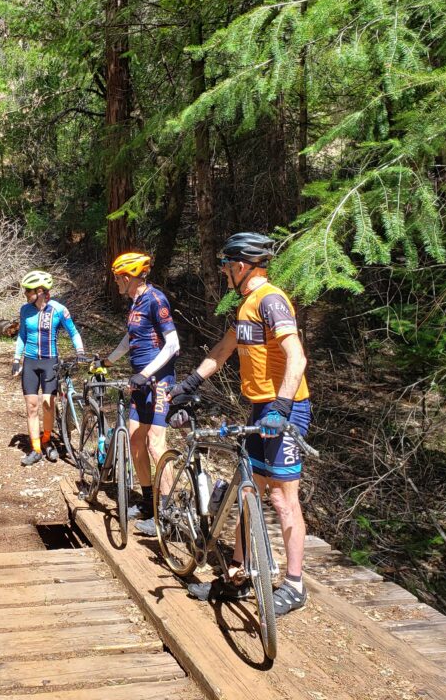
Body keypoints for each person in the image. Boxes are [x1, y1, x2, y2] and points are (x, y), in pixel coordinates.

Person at [167, 232, 311, 616]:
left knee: (282, 497)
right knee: (248, 487)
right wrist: (189, 384)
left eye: (227, 265)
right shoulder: (245, 305)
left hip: (286, 408)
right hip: (261, 408)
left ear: (242, 266)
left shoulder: (271, 301)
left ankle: (295, 585)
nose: (224, 272)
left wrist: (281, 407)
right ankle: (239, 573)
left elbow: (296, 358)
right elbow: (223, 350)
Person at [96, 252, 180, 535]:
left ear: (128, 277)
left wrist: (146, 374)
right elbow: (129, 338)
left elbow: (173, 345)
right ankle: (148, 502)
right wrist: (108, 361)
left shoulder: (156, 300)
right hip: (140, 383)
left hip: (159, 382)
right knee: (135, 442)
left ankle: (167, 513)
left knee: (156, 445)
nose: (116, 282)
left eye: (118, 278)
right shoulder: (135, 304)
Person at [12, 269, 86, 466]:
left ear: (40, 291)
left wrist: (80, 352)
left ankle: (47, 441)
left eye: (28, 291)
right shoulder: (25, 310)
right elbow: (21, 335)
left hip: (49, 362)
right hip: (30, 362)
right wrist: (16, 359)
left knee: (47, 403)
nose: (25, 294)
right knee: (31, 406)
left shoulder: (58, 310)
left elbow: (73, 332)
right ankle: (36, 448)